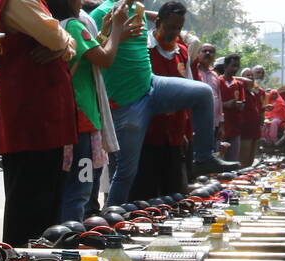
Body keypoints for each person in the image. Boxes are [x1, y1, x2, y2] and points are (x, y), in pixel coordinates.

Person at [91, 0, 234, 207]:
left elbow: (163, 21)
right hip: (127, 101)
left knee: (203, 92)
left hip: (152, 85)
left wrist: (158, 17)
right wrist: (117, 34)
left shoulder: (136, 8)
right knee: (126, 171)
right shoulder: (103, 12)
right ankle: (111, 217)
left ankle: (203, 157)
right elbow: (93, 52)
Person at [0, 0, 77, 246]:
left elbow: (64, 42)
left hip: (37, 116)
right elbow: (57, 38)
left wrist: (64, 44)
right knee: (32, 204)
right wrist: (64, 44)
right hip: (34, 118)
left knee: (40, 201)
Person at [57, 0, 127, 223]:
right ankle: (71, 238)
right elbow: (105, 58)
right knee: (81, 188)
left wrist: (107, 31)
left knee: (70, 186)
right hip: (82, 117)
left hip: (70, 116)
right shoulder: (74, 26)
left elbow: (88, 53)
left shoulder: (57, 26)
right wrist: (117, 28)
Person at [132, 1, 190, 199]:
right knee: (144, 195)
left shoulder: (182, 52)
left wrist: (185, 131)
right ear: (157, 22)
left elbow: (189, 91)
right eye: (170, 27)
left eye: (179, 28)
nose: (174, 32)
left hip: (174, 135)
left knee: (172, 195)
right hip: (145, 135)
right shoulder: (142, 48)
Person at [217, 53, 246, 162]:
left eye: (237, 66)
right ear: (225, 66)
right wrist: (226, 104)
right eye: (233, 65)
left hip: (235, 128)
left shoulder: (239, 84)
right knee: (219, 160)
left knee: (232, 161)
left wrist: (239, 105)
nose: (235, 68)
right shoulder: (217, 82)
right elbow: (213, 103)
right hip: (221, 128)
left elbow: (242, 105)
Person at [238, 66, 266, 166]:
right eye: (247, 75)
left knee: (251, 158)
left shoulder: (255, 92)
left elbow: (260, 108)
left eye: (251, 75)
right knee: (243, 157)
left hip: (255, 127)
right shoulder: (240, 90)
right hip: (245, 128)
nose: (250, 77)